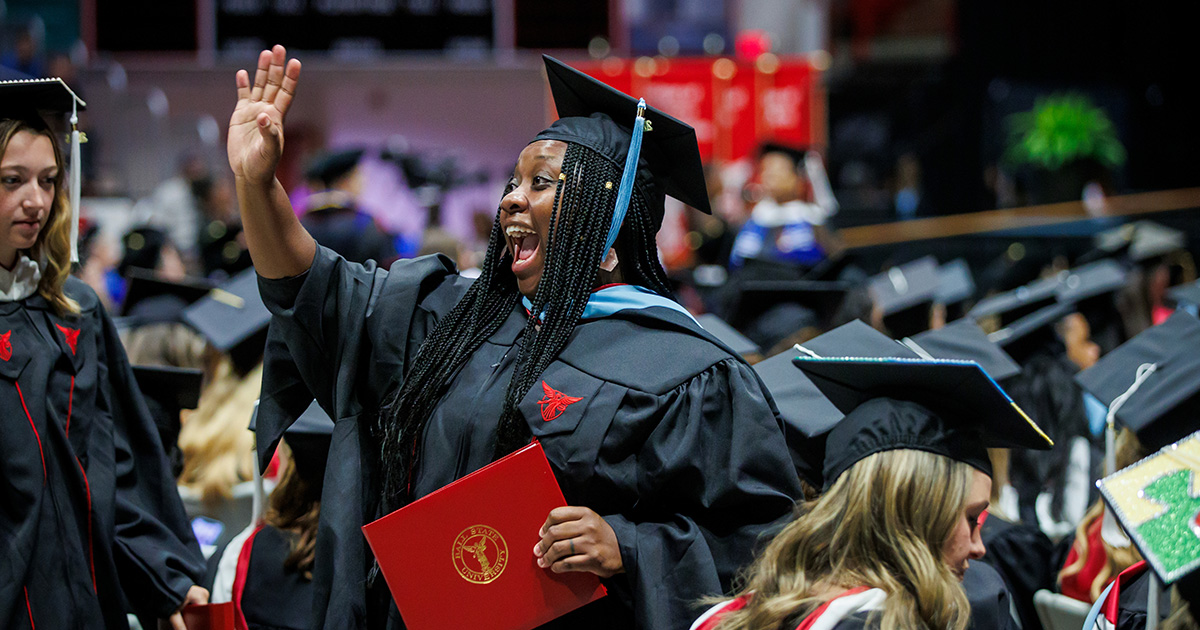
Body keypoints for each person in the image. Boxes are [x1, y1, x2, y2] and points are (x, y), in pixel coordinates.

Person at [229, 46, 802, 629]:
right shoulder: (451, 318)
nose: (510, 199)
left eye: (541, 183)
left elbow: (762, 546)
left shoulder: (684, 371)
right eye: (514, 181)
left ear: (606, 222)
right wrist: (256, 184)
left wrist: (627, 547)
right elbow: (314, 290)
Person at [1, 78, 207, 628]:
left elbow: (114, 464)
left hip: (83, 599)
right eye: (12, 180)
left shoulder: (74, 312)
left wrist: (166, 579)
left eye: (48, 180)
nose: (35, 200)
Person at [696, 330, 1052, 630]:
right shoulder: (891, 620)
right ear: (915, 514)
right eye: (972, 518)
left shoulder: (738, 613)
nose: (980, 547)